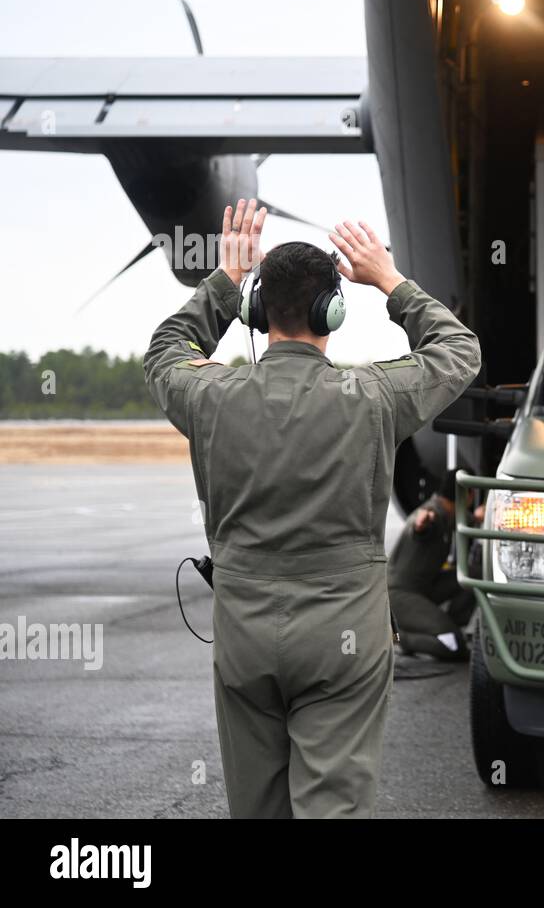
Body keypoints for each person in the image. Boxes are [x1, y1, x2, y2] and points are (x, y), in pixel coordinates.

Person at [143, 200, 480, 816]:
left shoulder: (209, 395)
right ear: (335, 311)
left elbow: (166, 349)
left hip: (243, 634)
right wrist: (389, 280)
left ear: (256, 309)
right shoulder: (374, 395)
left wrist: (225, 279)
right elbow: (458, 351)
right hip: (343, 635)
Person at [388, 479, 478, 663]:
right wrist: (421, 525)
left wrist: (479, 516)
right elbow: (420, 526)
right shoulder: (433, 514)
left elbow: (468, 519)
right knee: (453, 645)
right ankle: (398, 639)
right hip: (399, 595)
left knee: (474, 573)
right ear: (468, 495)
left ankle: (450, 623)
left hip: (423, 587)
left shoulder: (449, 513)